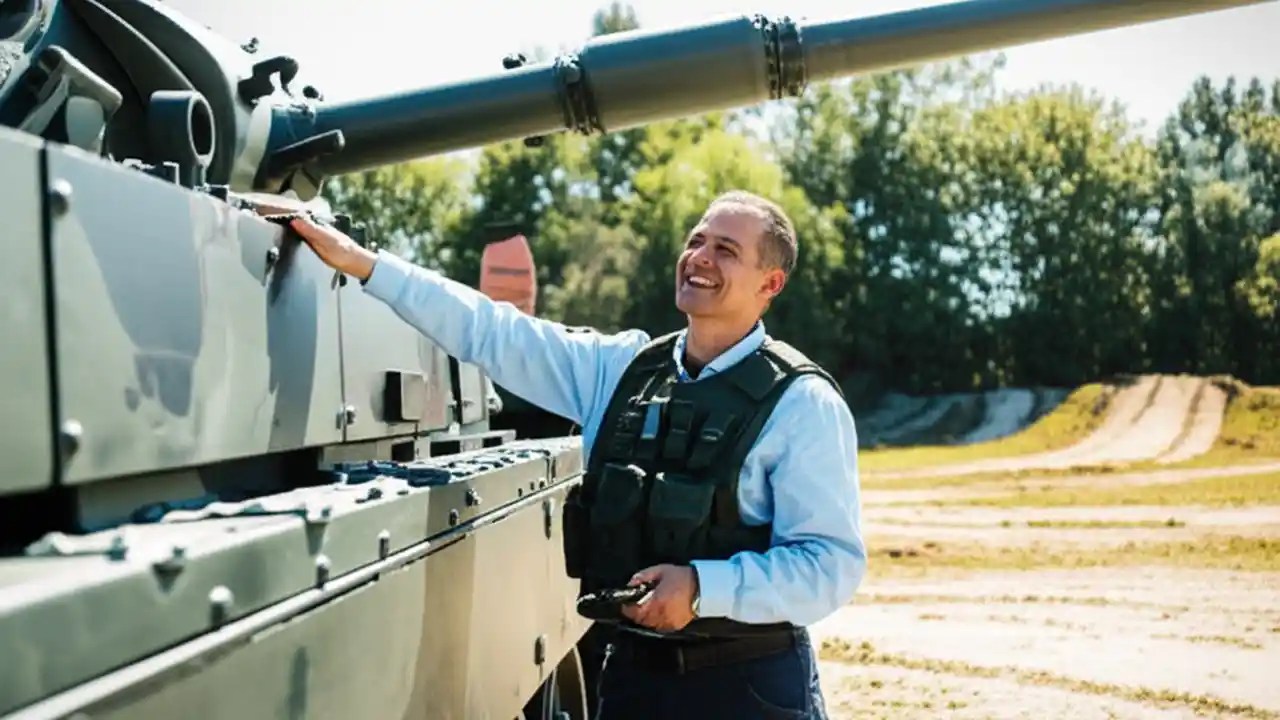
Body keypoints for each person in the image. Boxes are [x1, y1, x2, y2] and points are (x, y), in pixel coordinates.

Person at [282, 190, 866, 720]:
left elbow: (829, 566)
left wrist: (701, 587)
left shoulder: (801, 404)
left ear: (770, 283)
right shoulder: (621, 371)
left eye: (726, 250)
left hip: (747, 688)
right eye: (696, 240)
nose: (700, 258)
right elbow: (490, 331)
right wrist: (365, 264)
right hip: (633, 680)